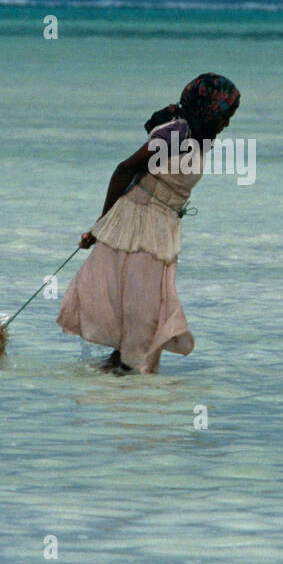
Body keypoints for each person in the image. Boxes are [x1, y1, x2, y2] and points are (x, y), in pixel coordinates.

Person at [57, 73, 241, 374]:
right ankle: (130, 384)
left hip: (163, 228)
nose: (226, 123)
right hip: (138, 223)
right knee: (143, 310)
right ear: (207, 109)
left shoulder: (200, 137)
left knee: (146, 309)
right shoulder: (176, 134)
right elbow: (125, 169)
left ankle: (122, 377)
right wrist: (101, 225)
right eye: (224, 115)